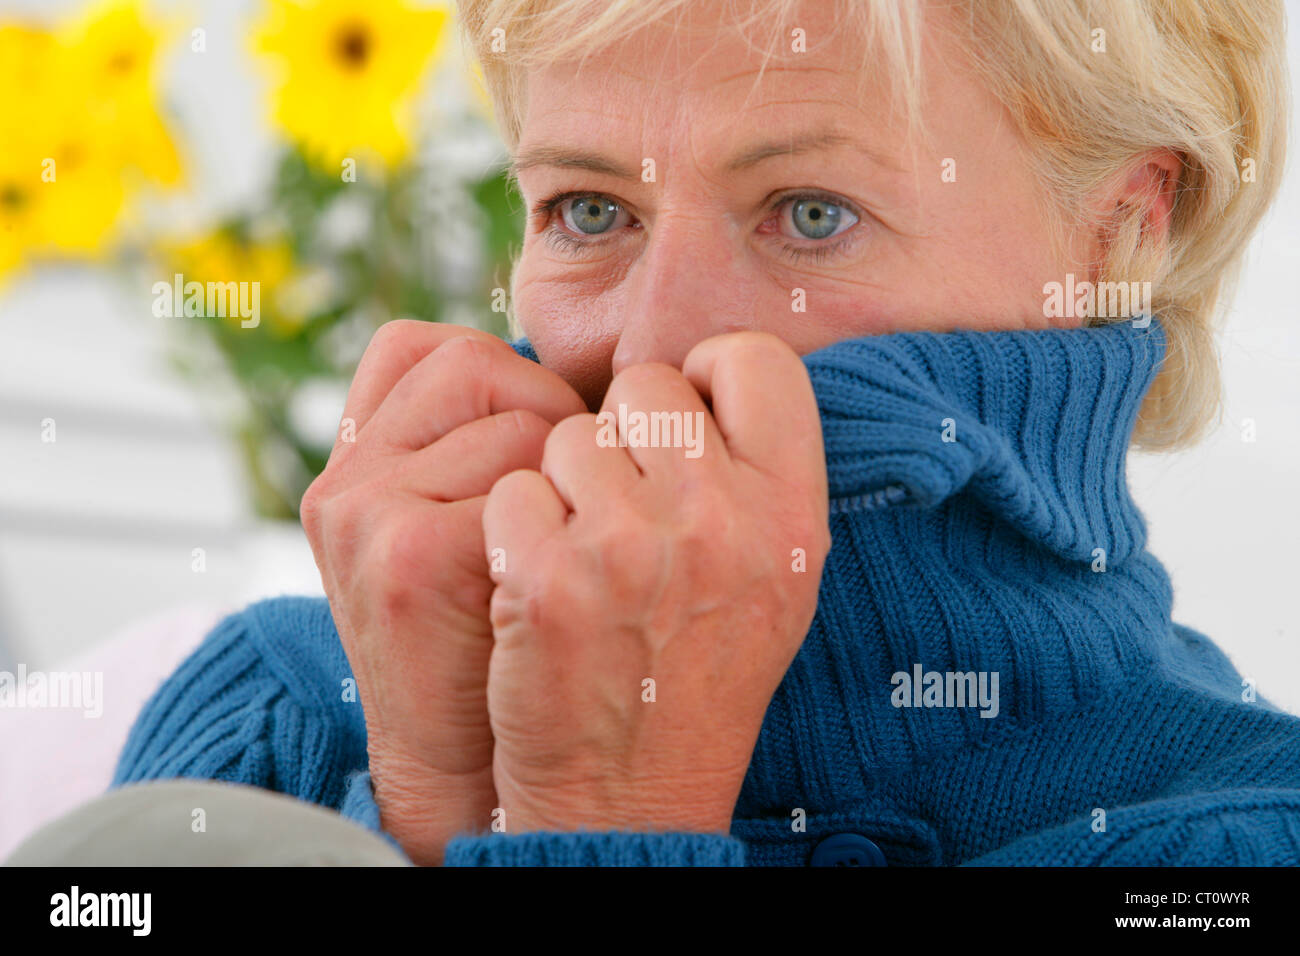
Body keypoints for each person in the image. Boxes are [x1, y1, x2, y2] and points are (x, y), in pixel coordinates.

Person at [104, 0, 1298, 866]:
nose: (645, 348)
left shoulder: (1229, 840)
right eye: (588, 209)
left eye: (811, 214)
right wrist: (432, 804)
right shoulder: (267, 721)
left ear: (1116, 239)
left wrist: (600, 820)